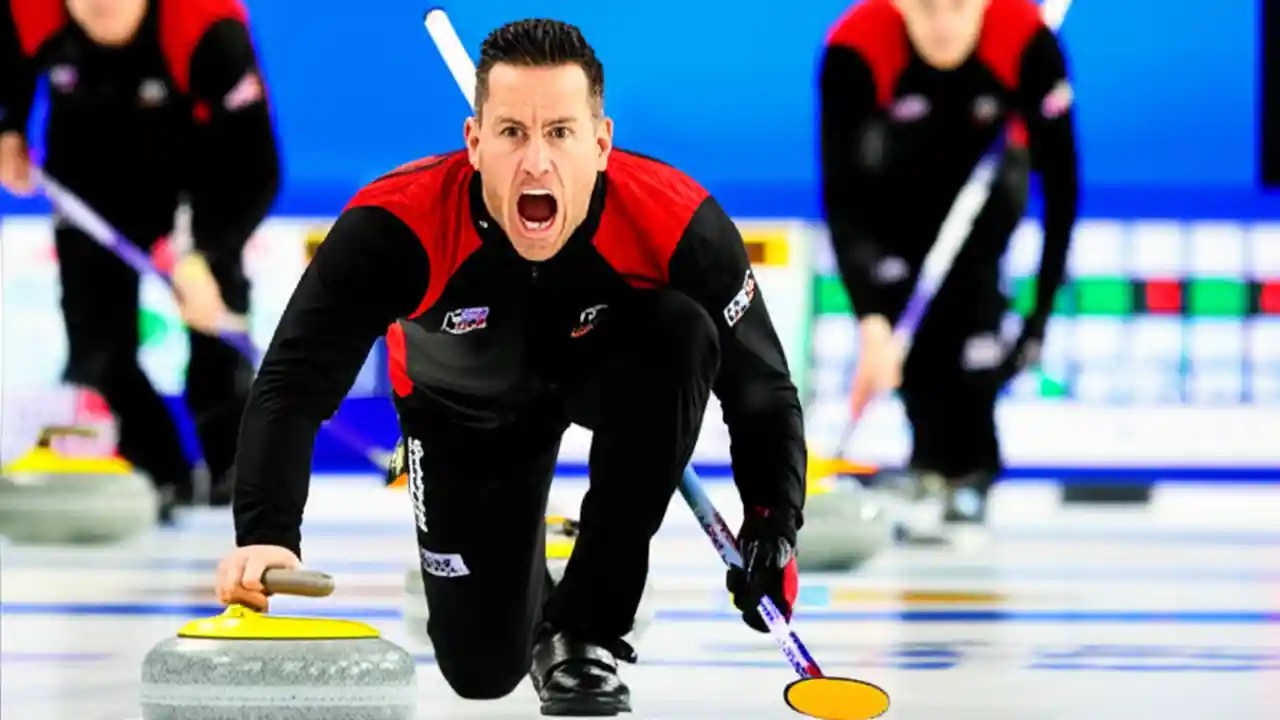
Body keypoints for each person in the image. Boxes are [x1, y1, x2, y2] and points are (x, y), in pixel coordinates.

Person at [214, 18, 806, 717]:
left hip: (602, 369)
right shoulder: (393, 227)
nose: (535, 162)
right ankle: (520, 556)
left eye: (559, 131)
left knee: (683, 336)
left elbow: (762, 387)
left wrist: (773, 524)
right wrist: (265, 533)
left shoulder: (678, 223)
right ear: (474, 143)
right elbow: (292, 384)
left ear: (602, 143)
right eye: (511, 133)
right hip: (459, 408)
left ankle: (588, 627)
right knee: (484, 670)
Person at [0, 0, 280, 518]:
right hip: (87, 186)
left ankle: (235, 471)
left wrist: (204, 252)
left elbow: (256, 166)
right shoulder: (26, 10)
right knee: (97, 349)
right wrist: (9, 127)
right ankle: (160, 474)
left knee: (215, 328)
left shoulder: (208, 28)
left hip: (193, 184)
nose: (101, 3)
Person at [819, 0, 1079, 524]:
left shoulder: (1027, 41)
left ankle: (972, 472)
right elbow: (843, 200)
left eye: (958, 7)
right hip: (894, 201)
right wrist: (871, 323)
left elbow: (1062, 189)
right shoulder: (854, 48)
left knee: (972, 321)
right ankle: (929, 467)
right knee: (914, 361)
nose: (941, 26)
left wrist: (1040, 316)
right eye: (925, 9)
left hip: (988, 200)